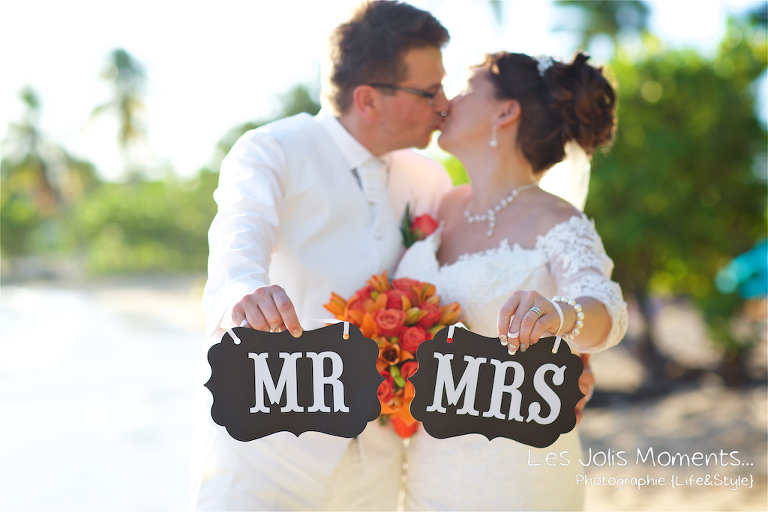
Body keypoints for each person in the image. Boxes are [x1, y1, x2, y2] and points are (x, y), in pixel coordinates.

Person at [191, 2, 452, 510]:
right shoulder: (270, 150)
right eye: (429, 91)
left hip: (378, 464)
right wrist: (245, 288)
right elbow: (239, 238)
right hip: (265, 452)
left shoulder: (431, 179)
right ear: (368, 99)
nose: (447, 103)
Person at [394, 51, 629, 510]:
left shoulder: (558, 220)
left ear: (506, 110)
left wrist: (560, 316)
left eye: (466, 87)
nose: (447, 99)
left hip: (518, 476)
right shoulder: (439, 207)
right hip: (427, 472)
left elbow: (604, 305)